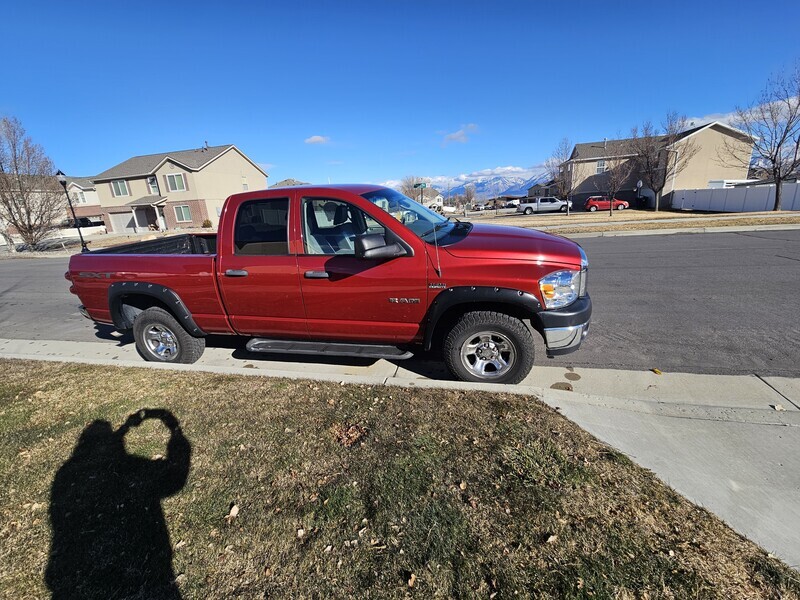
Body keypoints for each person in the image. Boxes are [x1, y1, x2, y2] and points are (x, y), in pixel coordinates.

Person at [46, 409, 191, 599]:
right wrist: (175, 429)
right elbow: (175, 478)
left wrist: (124, 430)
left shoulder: (67, 472)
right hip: (146, 574)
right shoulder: (133, 468)